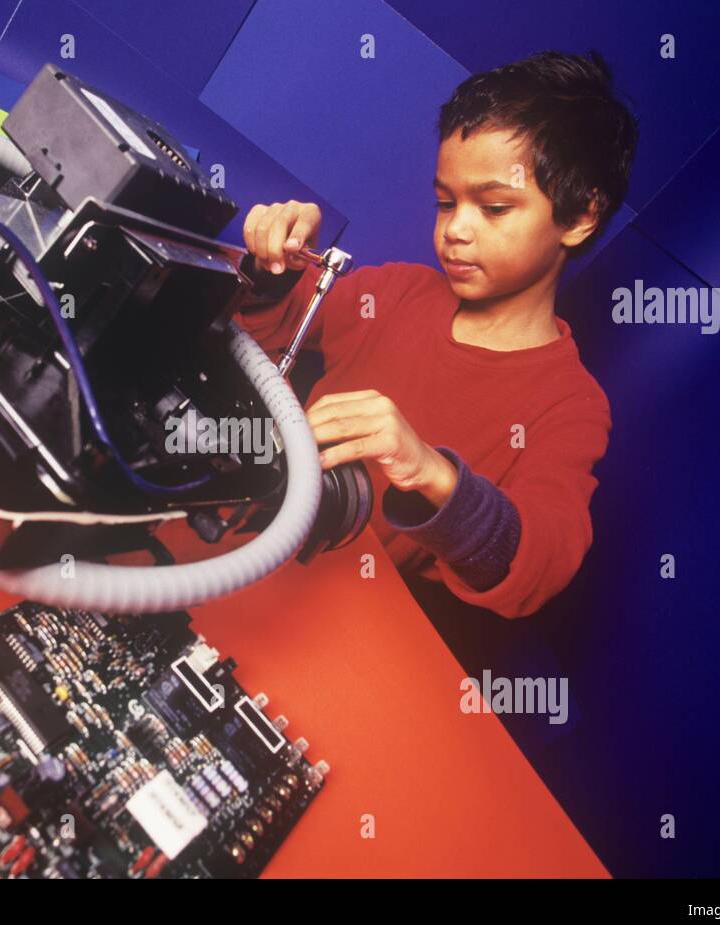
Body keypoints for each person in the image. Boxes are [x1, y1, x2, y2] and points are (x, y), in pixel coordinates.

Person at [235, 51, 638, 619]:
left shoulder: (570, 404)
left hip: (341, 614)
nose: (455, 230)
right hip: (243, 535)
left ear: (579, 217)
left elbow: (538, 566)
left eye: (494, 207)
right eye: (446, 202)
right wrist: (270, 261)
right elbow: (262, 331)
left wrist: (430, 472)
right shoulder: (398, 290)